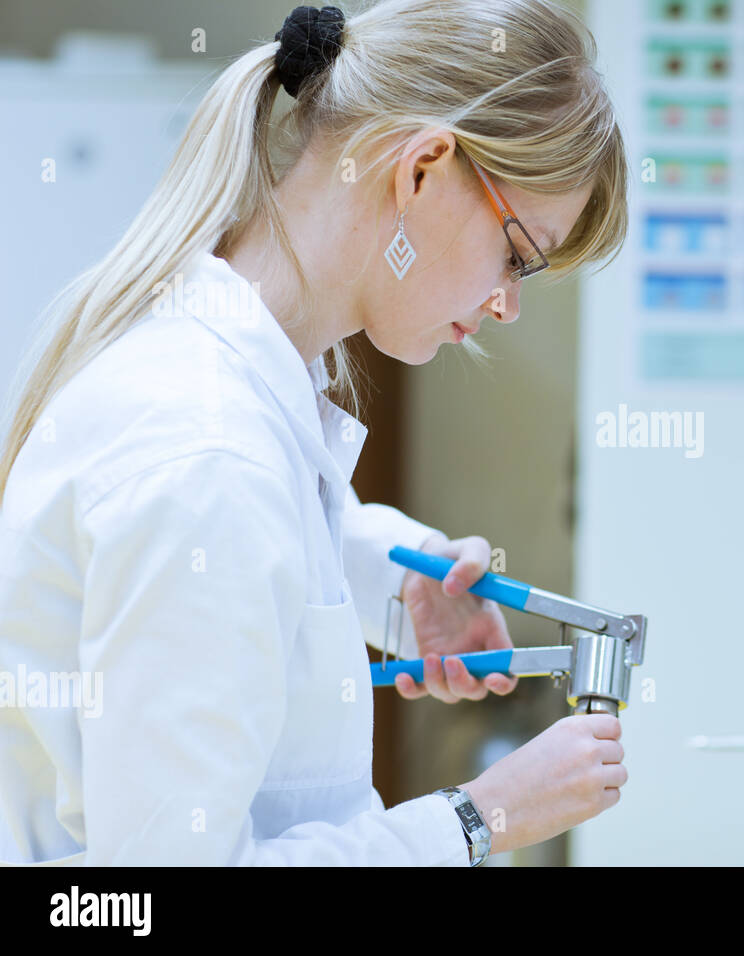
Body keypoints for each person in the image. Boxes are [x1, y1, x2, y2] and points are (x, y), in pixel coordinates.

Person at [0, 0, 628, 865]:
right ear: (421, 170)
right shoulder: (207, 455)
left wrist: (392, 573)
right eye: (517, 253)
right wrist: (482, 816)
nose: (507, 304)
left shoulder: (241, 387)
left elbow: (254, 554)